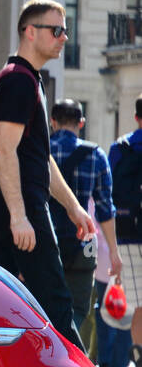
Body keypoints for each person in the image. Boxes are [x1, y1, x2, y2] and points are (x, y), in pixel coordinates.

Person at [0, 0, 93, 351]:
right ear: (30, 32)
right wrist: (19, 217)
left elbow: (40, 158)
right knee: (56, 303)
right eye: (56, 30)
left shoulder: (27, 80)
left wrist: (73, 208)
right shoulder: (19, 82)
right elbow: (5, 150)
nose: (64, 37)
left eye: (65, 30)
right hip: (23, 211)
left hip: (15, 209)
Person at [49, 99, 122, 340]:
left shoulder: (41, 151)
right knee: (79, 308)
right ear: (81, 123)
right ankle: (67, 347)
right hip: (84, 244)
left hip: (46, 240)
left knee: (42, 305)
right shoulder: (95, 154)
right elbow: (105, 208)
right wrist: (113, 251)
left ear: (52, 122)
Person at [109, 93, 142, 367]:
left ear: (136, 117)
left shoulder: (119, 147)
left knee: (136, 304)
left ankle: (139, 363)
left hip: (128, 234)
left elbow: (108, 192)